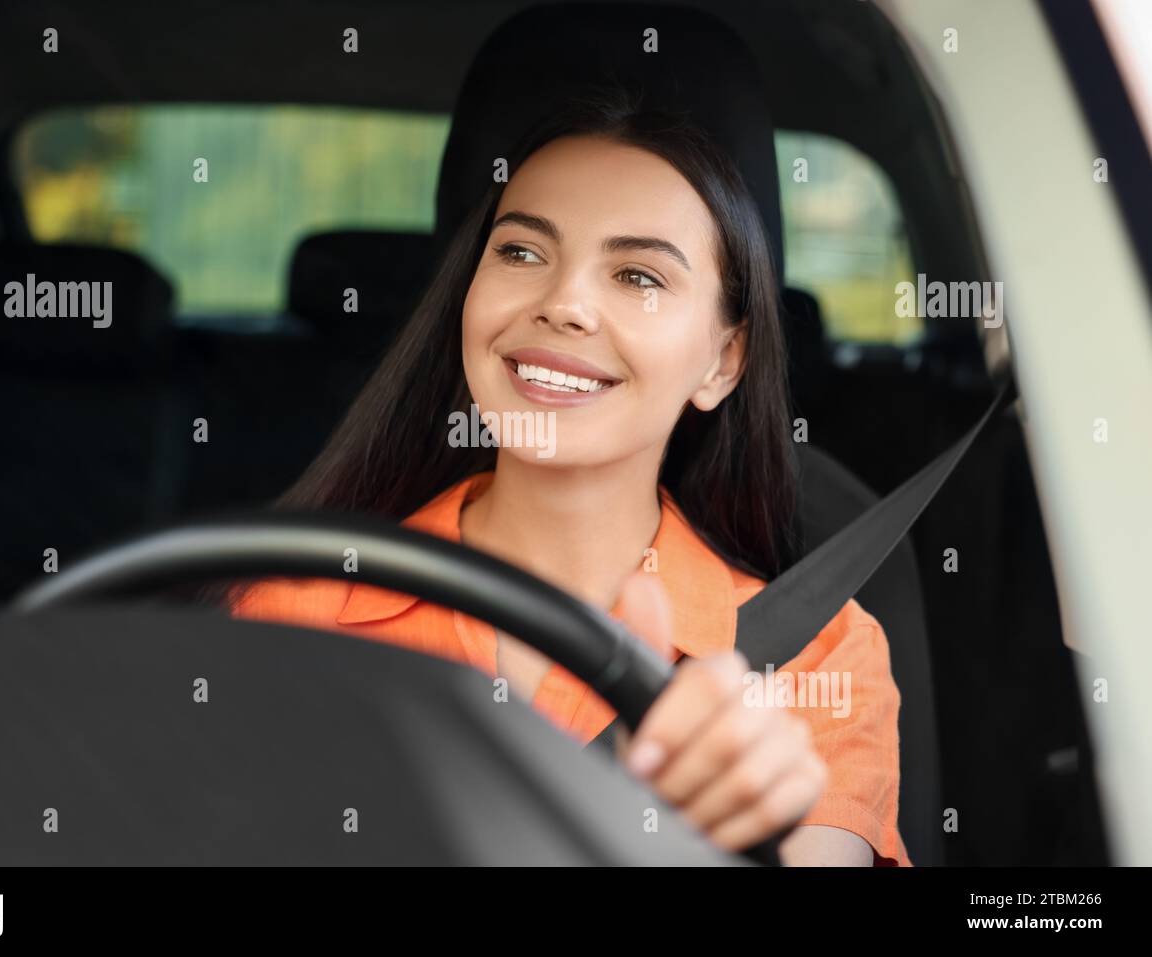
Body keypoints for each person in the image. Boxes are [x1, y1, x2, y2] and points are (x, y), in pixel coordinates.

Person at [222, 86, 909, 866]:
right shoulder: (293, 609)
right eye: (521, 252)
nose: (565, 303)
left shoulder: (816, 654)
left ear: (723, 361)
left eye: (639, 276)